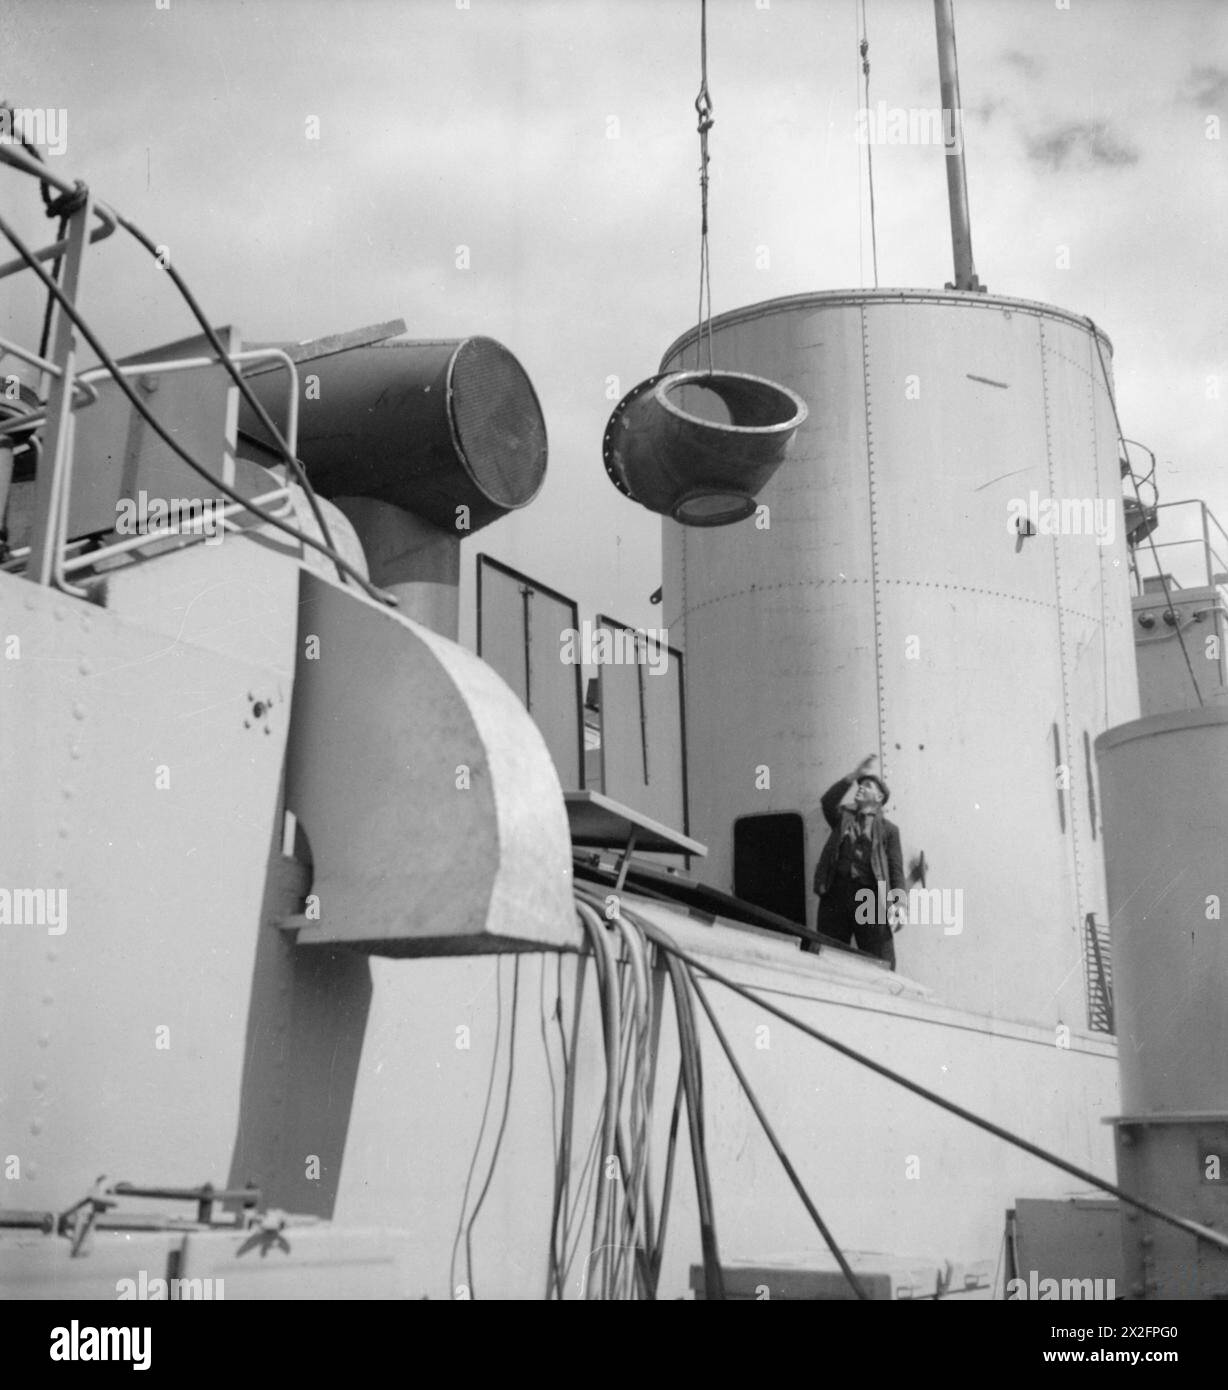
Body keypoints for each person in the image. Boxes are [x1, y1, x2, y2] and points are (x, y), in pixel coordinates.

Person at [811, 753, 905, 969]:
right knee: (828, 957)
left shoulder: (889, 831)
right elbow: (828, 801)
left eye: (868, 785)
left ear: (879, 797)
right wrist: (855, 775)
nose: (860, 787)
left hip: (869, 897)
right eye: (859, 785)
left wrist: (899, 905)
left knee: (881, 959)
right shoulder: (842, 817)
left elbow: (895, 871)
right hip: (835, 894)